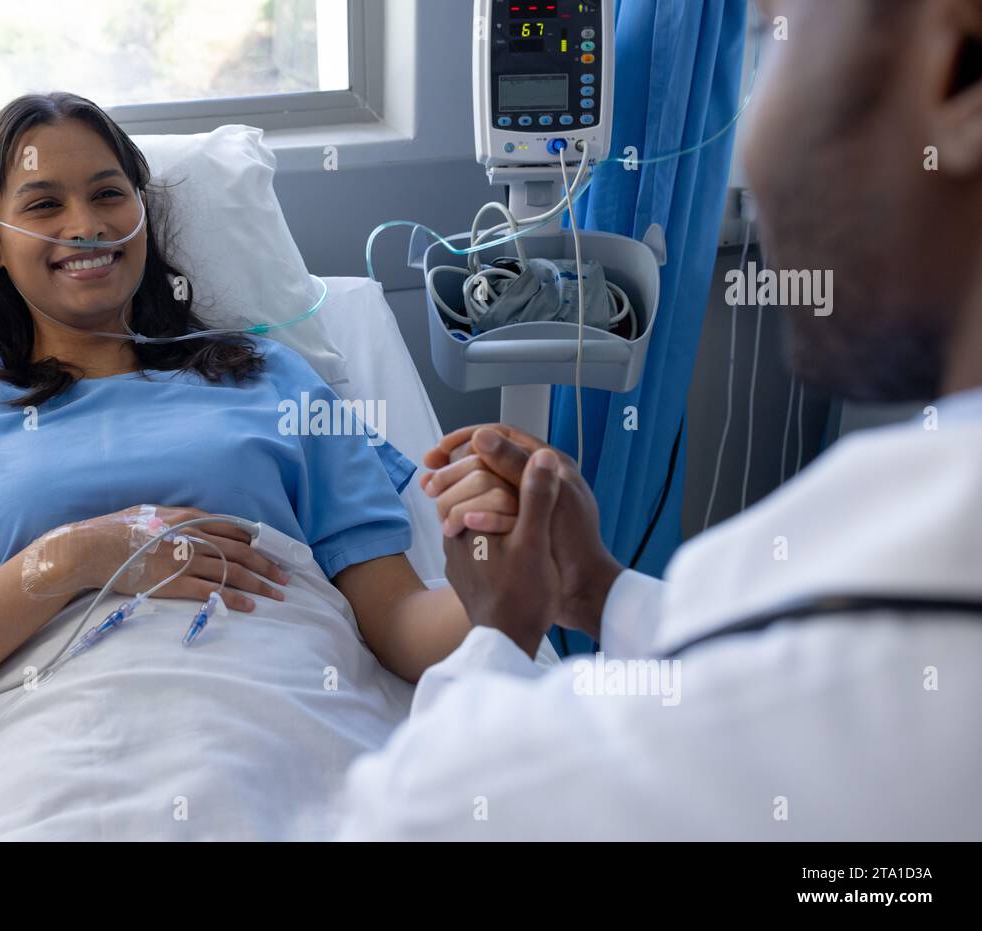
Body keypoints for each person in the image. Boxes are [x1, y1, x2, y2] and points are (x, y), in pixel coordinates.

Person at [335, 0, 982, 840]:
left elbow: (407, 821)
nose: (750, 140)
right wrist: (598, 591)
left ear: (957, 72)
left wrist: (496, 632)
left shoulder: (883, 620)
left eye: (769, 43)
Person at [0, 92, 476, 803]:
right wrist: (70, 560)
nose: (86, 227)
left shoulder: (270, 378)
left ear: (142, 213)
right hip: (45, 772)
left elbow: (402, 628)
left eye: (109, 194)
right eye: (43, 205)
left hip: (279, 732)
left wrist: (499, 575)